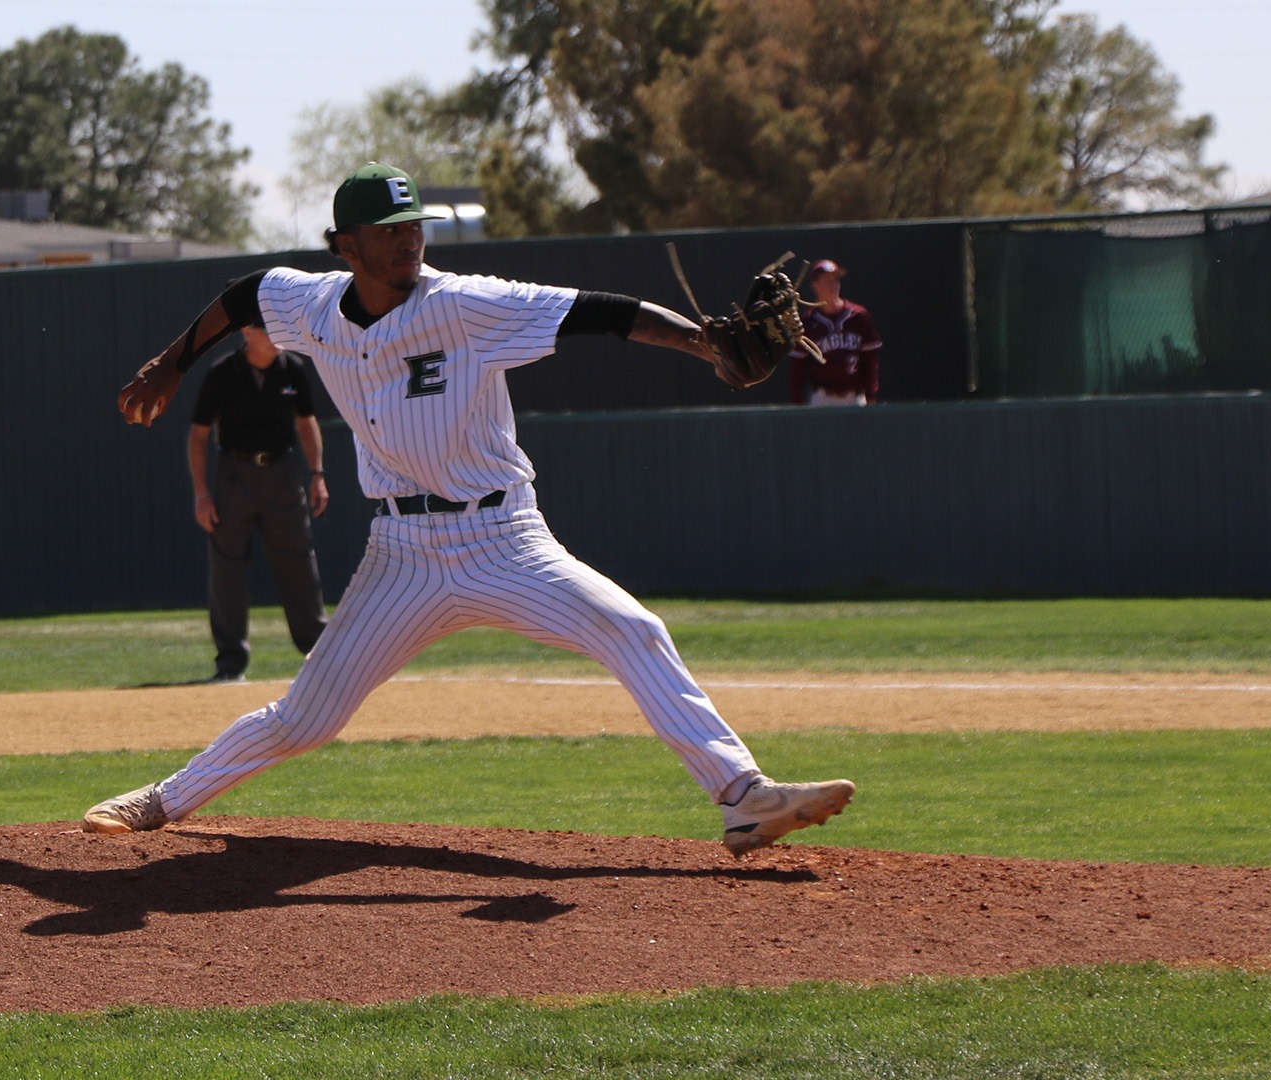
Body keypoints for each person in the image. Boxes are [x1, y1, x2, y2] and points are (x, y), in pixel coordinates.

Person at [87, 163, 854, 856]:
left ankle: (744, 799)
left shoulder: (465, 303)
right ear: (346, 244)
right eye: (389, 231)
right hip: (402, 556)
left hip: (504, 538)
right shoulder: (312, 303)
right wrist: (170, 362)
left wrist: (706, 347)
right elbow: (244, 292)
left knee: (633, 629)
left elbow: (601, 312)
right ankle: (164, 800)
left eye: (415, 225)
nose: (409, 241)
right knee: (305, 719)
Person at [187, 324, 331, 683]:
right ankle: (230, 663)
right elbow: (198, 435)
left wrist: (317, 474)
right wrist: (202, 493)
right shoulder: (223, 372)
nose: (276, 334)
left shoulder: (293, 368)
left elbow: (307, 421)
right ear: (248, 331)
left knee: (298, 562)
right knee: (227, 568)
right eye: (267, 328)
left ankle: (320, 656)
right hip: (234, 475)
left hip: (282, 474)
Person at [788, 259, 882, 406]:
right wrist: (797, 407)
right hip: (822, 398)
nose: (833, 285)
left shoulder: (858, 316)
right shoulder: (807, 322)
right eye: (826, 280)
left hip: (855, 399)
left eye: (835, 279)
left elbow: (870, 362)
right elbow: (798, 371)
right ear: (815, 284)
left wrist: (871, 397)